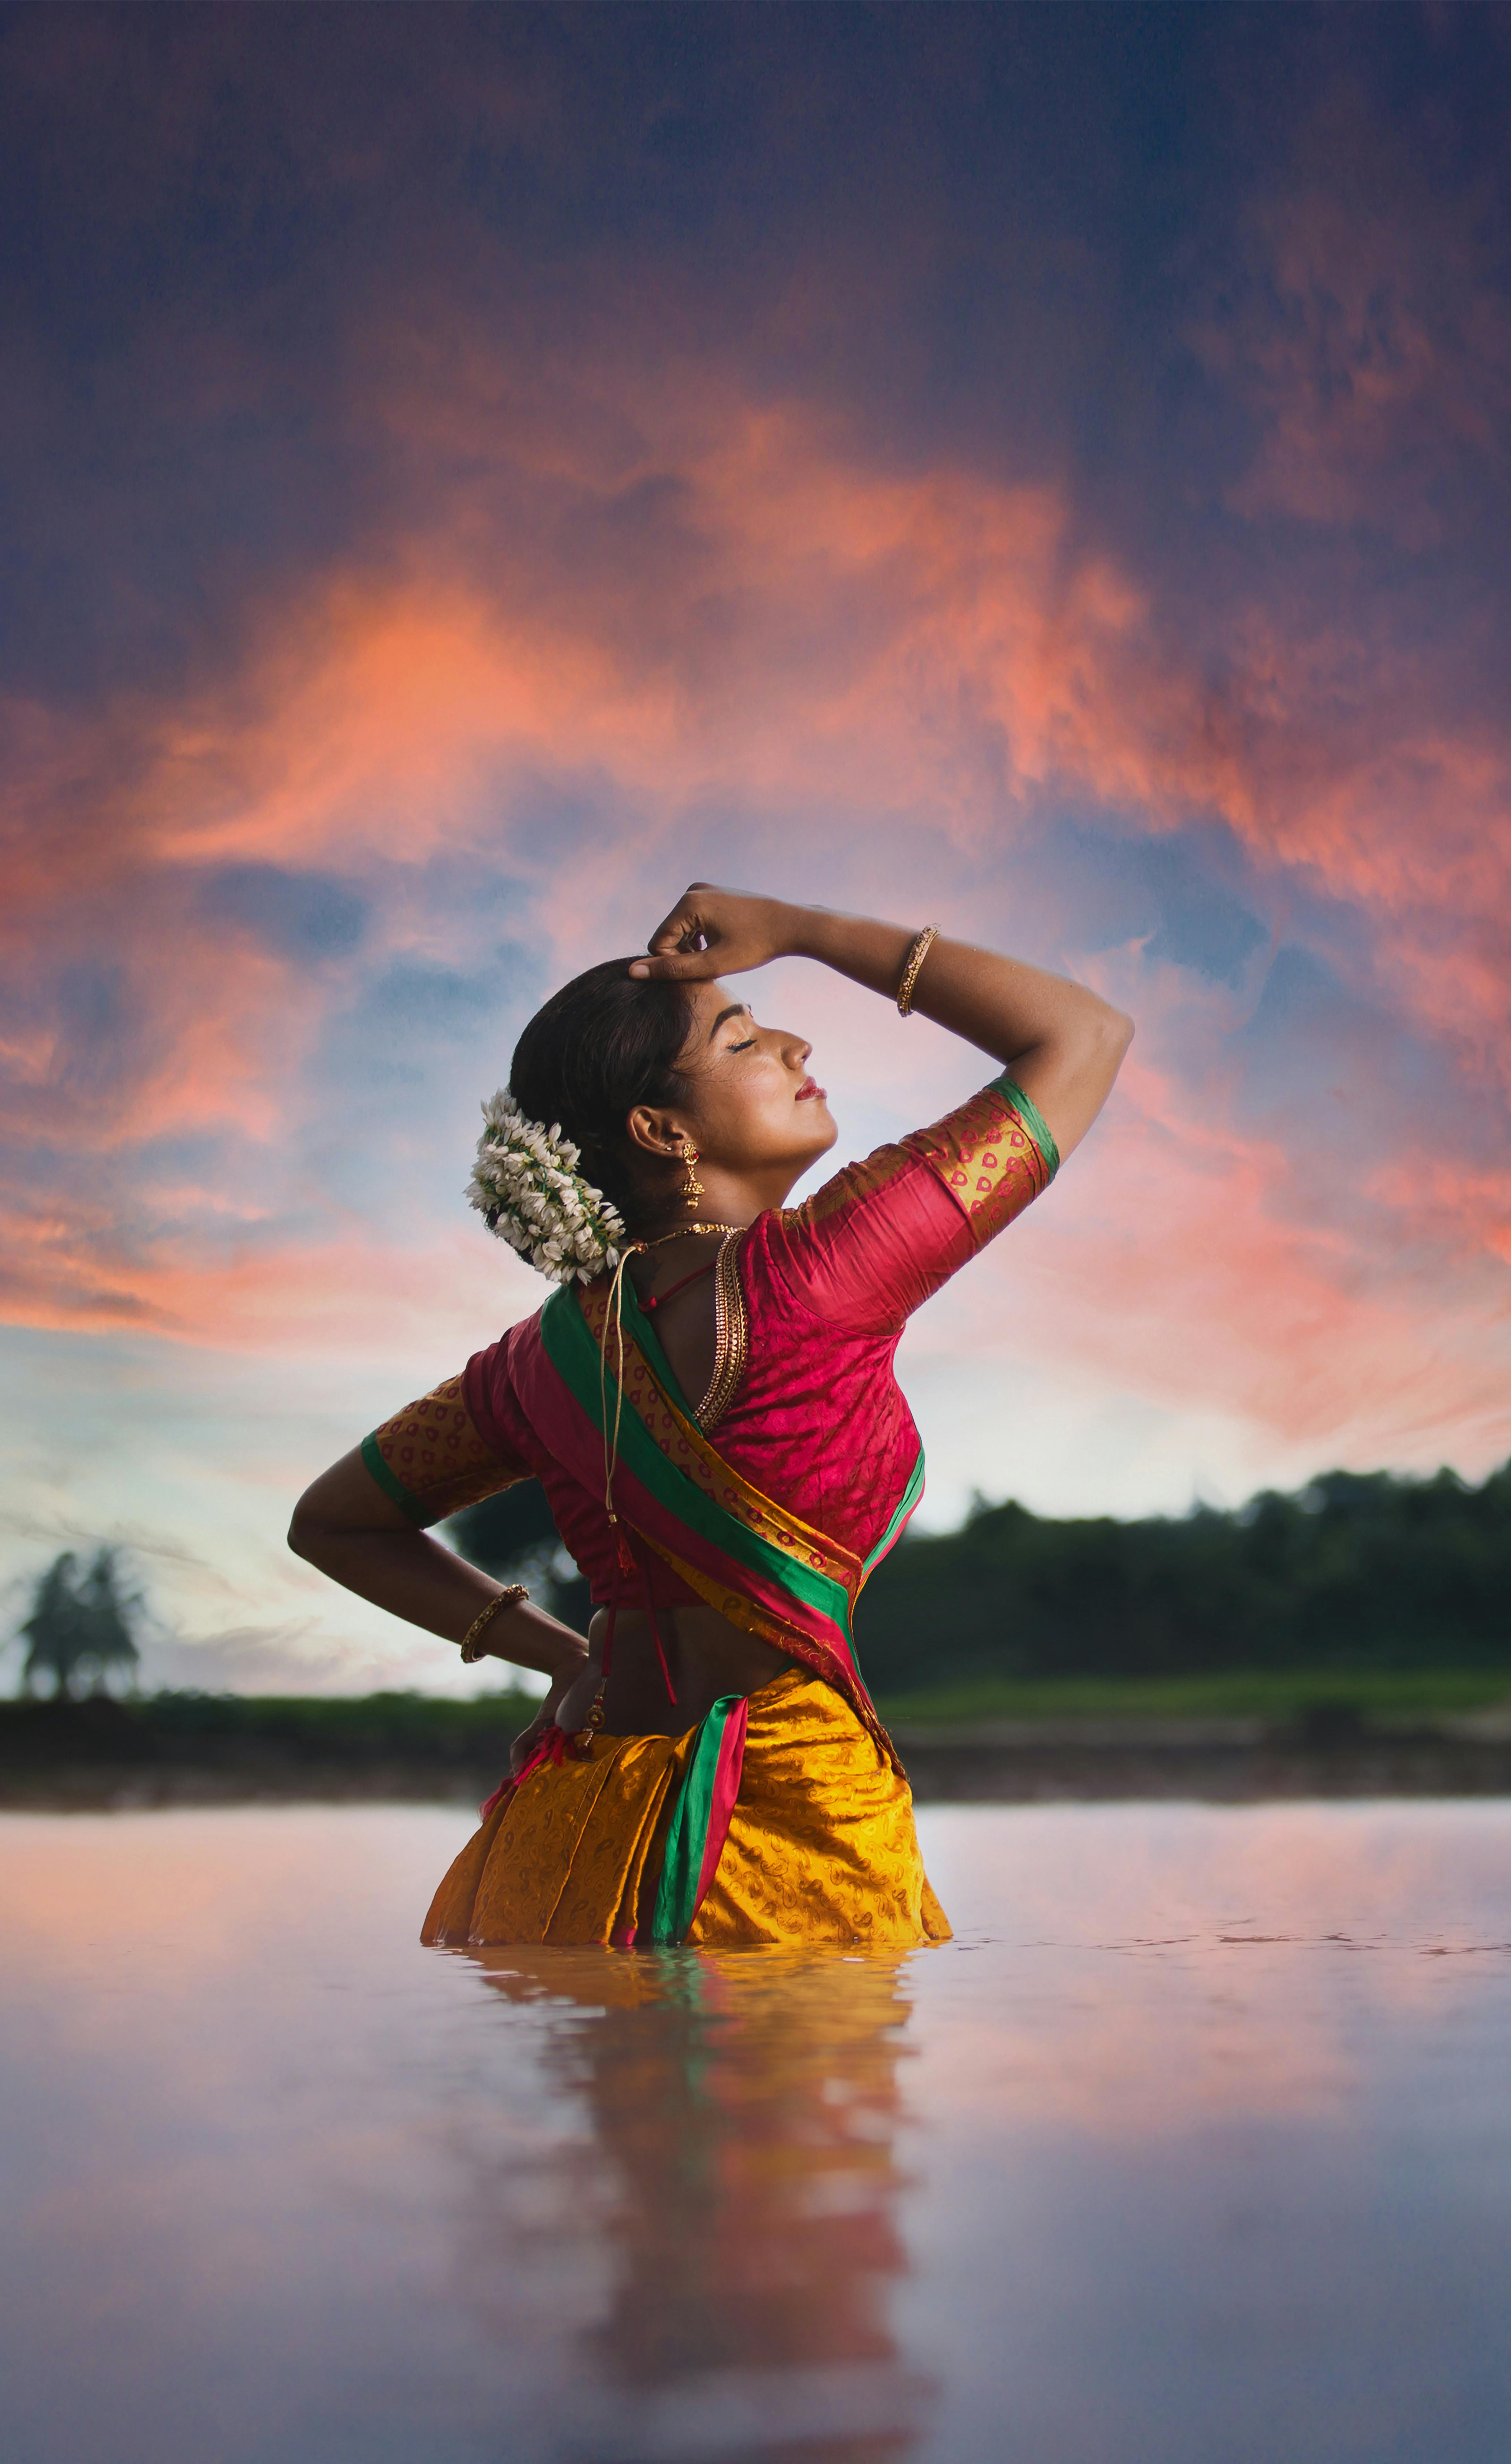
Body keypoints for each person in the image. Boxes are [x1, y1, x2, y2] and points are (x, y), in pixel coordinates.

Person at [289, 886, 1132, 1948]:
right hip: (786, 1832)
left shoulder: (535, 1363)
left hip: (575, 1827)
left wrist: (559, 1660)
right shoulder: (821, 1275)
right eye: (742, 1037)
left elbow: (333, 1522)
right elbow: (1084, 1033)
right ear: (660, 1128)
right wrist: (807, 933)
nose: (792, 1041)